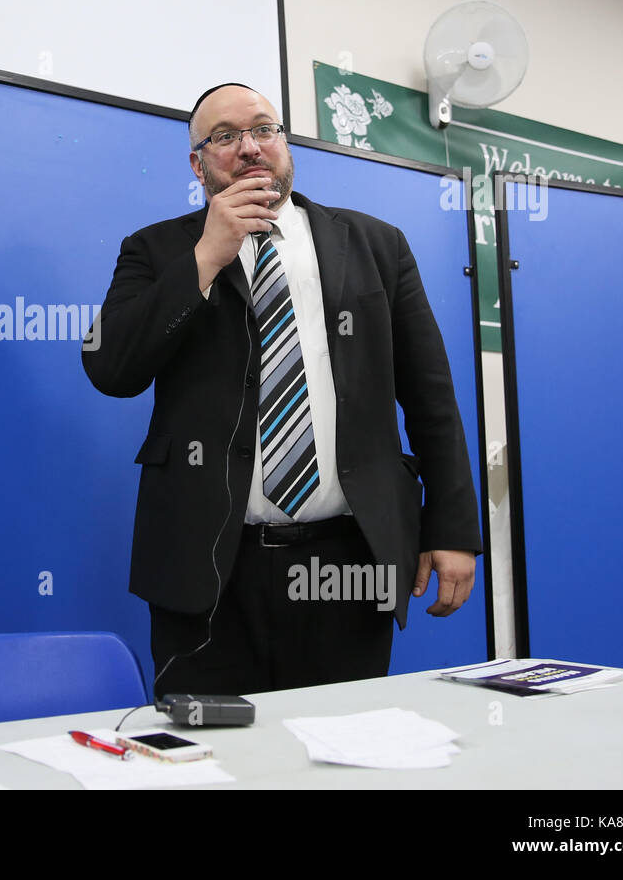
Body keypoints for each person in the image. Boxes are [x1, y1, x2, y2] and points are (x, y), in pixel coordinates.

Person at [82, 83, 481, 697]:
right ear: (197, 163)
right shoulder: (155, 249)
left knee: (341, 750)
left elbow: (430, 395)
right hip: (206, 567)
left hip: (346, 562)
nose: (248, 147)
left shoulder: (377, 245)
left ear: (285, 142)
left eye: (263, 129)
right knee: (213, 753)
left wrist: (451, 527)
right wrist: (208, 255)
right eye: (224, 137)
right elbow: (111, 368)